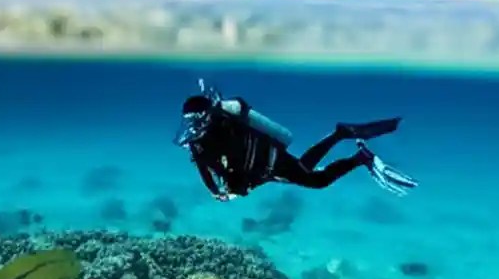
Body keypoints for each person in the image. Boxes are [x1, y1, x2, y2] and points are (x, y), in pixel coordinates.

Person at [174, 80, 417, 201]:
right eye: (188, 121)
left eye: (195, 119)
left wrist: (225, 191)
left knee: (316, 181)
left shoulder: (223, 123)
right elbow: (206, 171)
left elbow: (229, 161)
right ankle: (339, 133)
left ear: (206, 115)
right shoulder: (198, 144)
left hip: (269, 160)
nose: (192, 126)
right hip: (264, 167)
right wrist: (219, 193)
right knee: (305, 169)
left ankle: (360, 157)